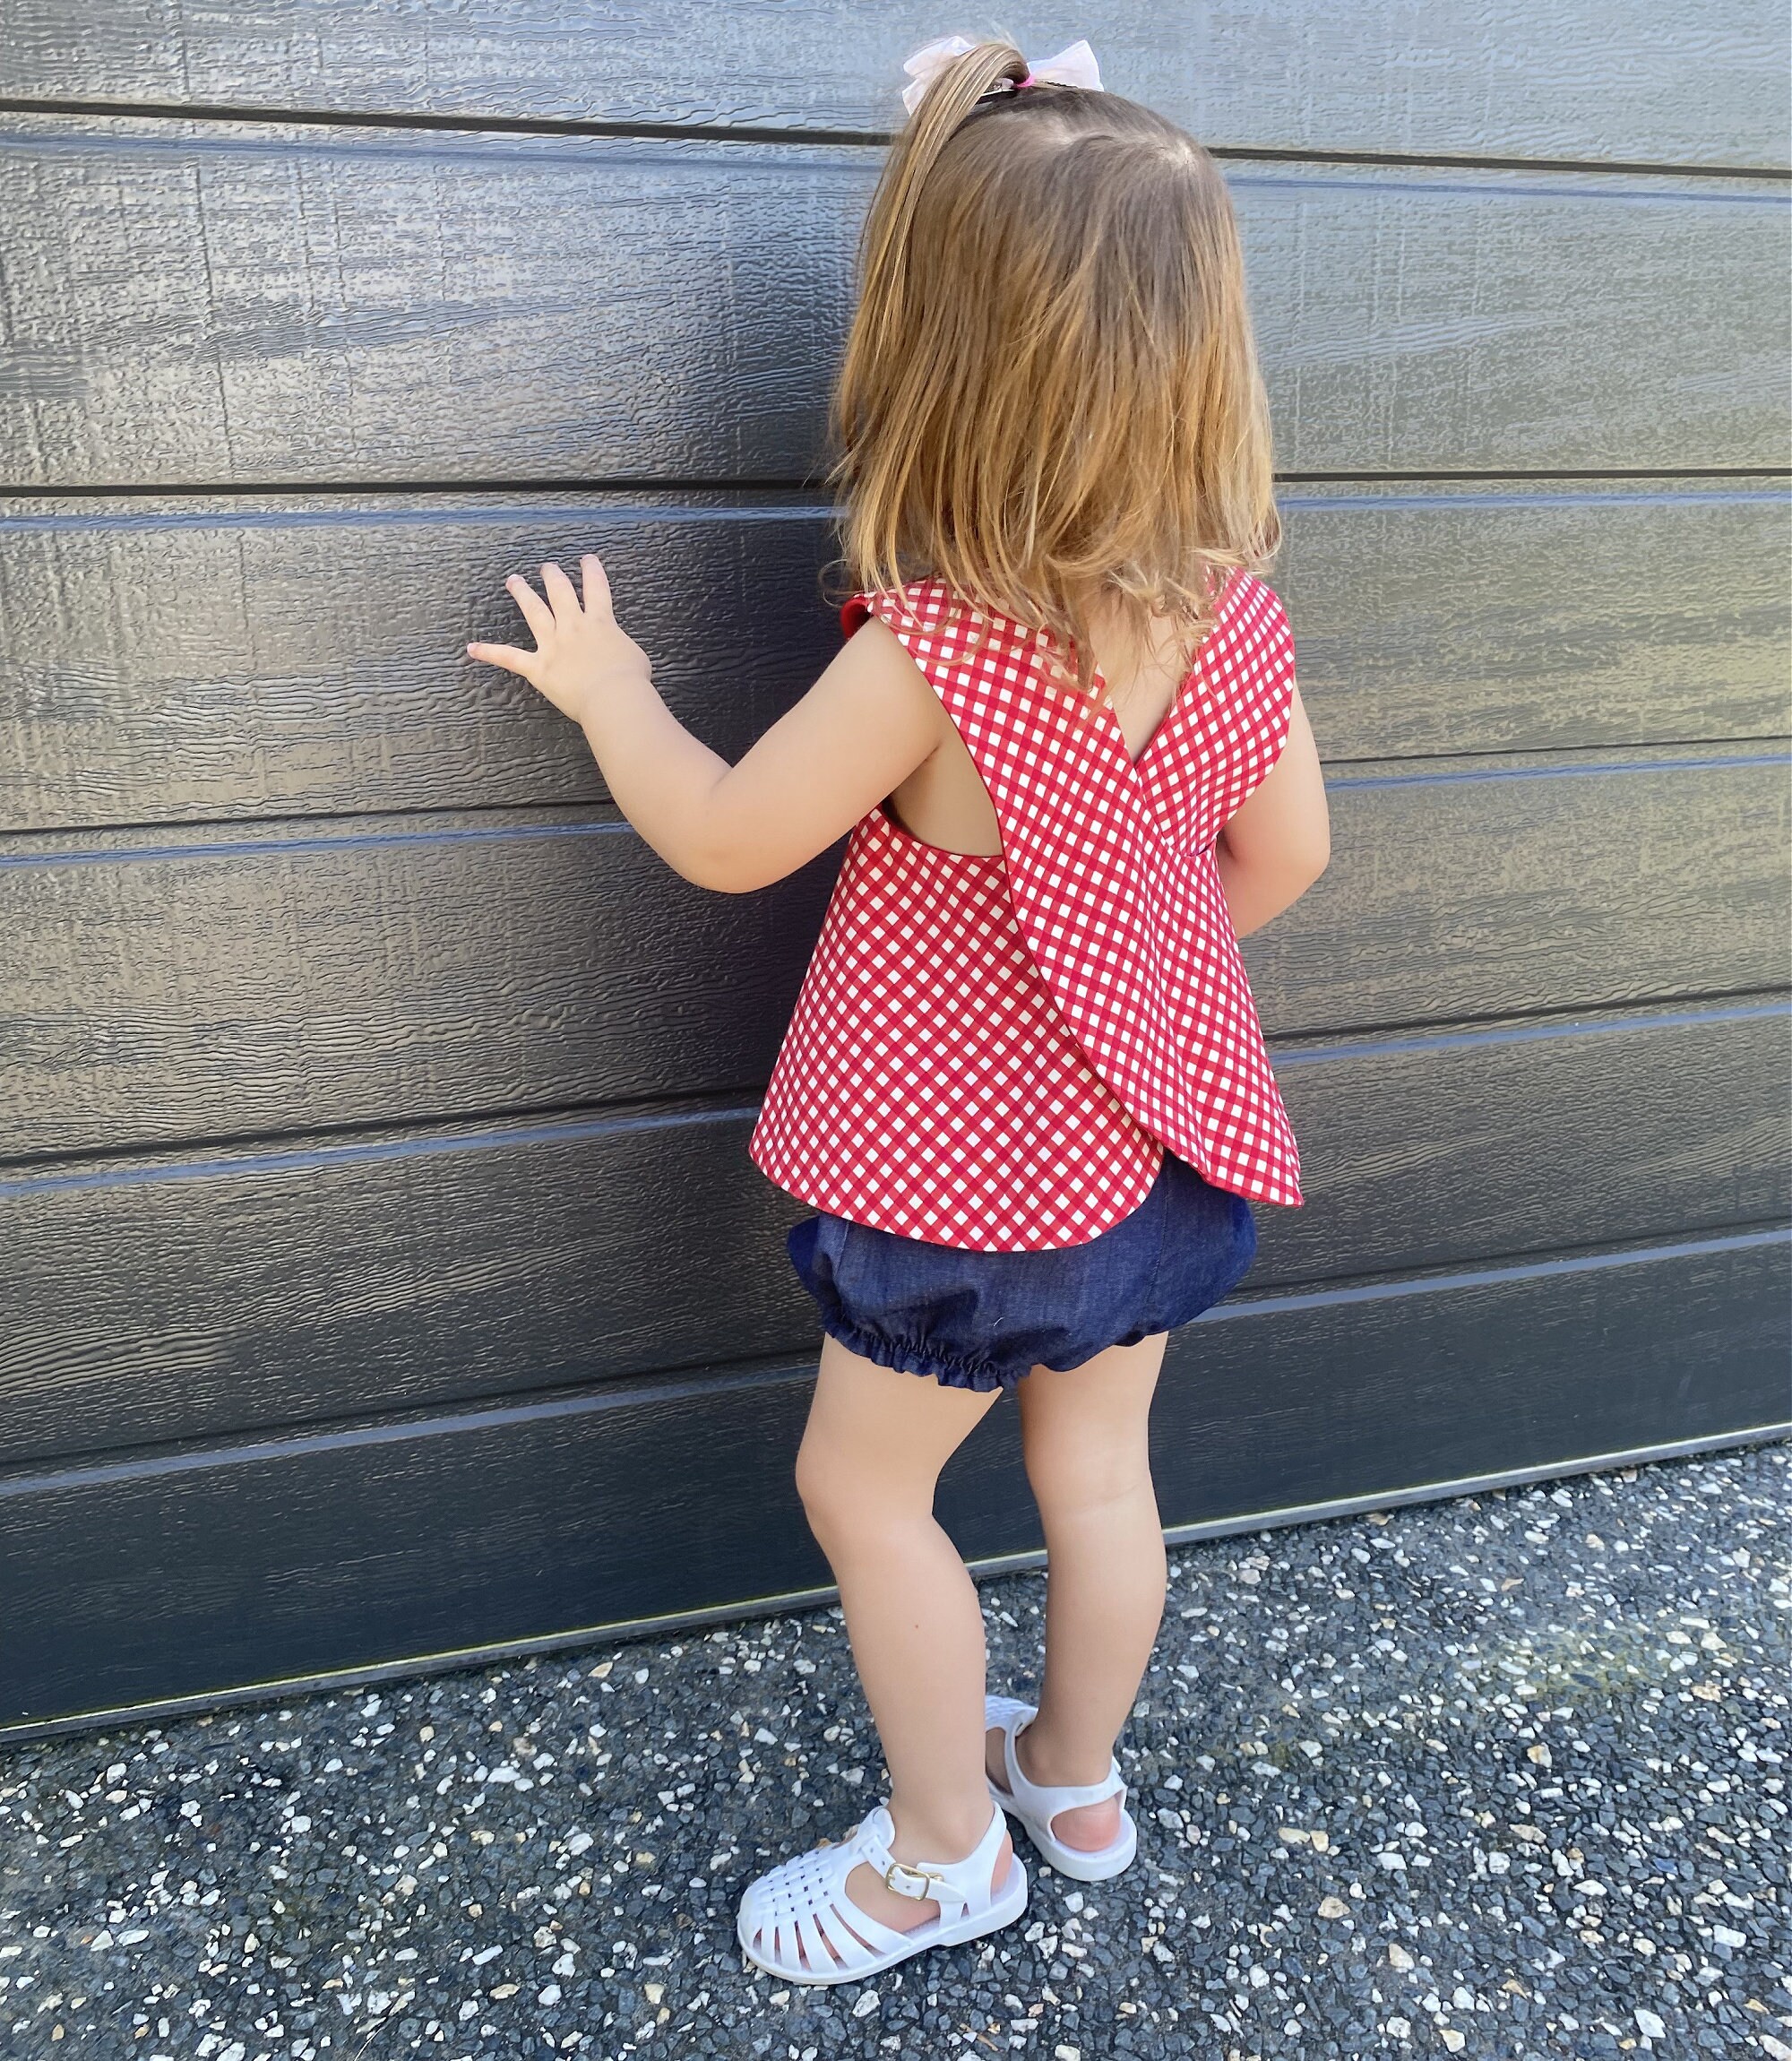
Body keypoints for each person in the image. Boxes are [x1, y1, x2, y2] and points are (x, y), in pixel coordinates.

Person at [468, 32, 1330, 1988]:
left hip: (959, 1198)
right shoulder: (1237, 618)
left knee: (863, 1490)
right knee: (1098, 1474)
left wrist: (612, 693)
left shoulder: (934, 653)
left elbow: (724, 837)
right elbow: (1279, 864)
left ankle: (944, 1852)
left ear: (941, 359)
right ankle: (1074, 1782)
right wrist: (1125, 948)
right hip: (1159, 1149)